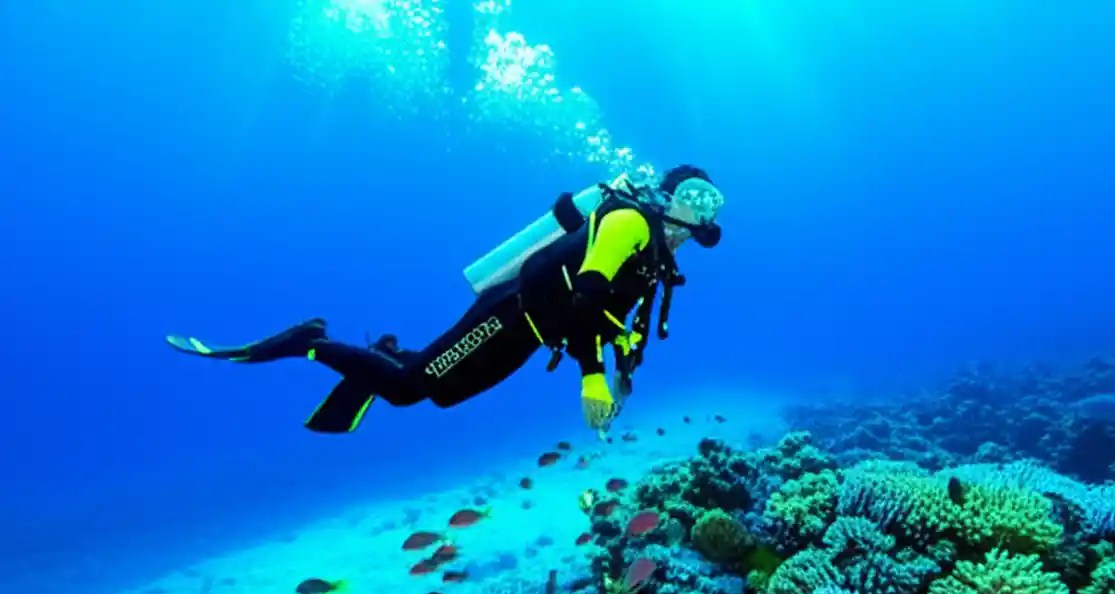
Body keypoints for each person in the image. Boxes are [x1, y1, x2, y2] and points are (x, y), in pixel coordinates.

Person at [166, 164, 725, 434]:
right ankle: (309, 342)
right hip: (510, 316)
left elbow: (605, 317)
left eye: (712, 205)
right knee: (411, 391)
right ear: (669, 198)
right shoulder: (630, 222)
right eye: (697, 199)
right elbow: (587, 295)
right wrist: (592, 376)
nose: (705, 214)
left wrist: (621, 363)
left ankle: (384, 351)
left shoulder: (657, 260)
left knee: (441, 393)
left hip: (527, 336)